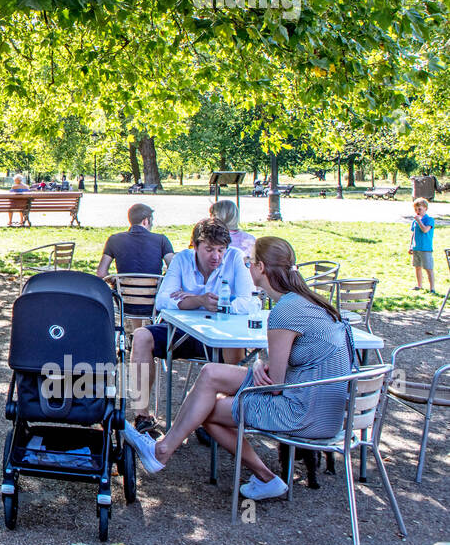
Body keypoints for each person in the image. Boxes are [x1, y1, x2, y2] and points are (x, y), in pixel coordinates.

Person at [124, 236, 356, 501]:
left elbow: (276, 386)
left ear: (260, 268)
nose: (247, 266)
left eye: (250, 262)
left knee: (208, 409)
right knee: (210, 373)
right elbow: (294, 363)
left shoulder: (285, 312)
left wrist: (262, 371)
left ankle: (260, 475)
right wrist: (260, 365)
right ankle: (162, 450)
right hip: (324, 405)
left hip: (305, 412)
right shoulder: (306, 301)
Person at [128, 218, 253, 433]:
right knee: (141, 336)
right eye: (209, 249)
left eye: (221, 250)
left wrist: (218, 302)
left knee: (234, 344)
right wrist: (199, 300)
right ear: (194, 245)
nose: (216, 257)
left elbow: (250, 301)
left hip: (221, 334)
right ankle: (141, 416)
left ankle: (222, 416)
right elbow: (163, 300)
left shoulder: (235, 259)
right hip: (182, 331)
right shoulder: (182, 260)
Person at [95, 203, 175, 325]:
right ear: (145, 221)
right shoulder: (161, 240)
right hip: (153, 303)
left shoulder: (114, 239)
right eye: (151, 221)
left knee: (131, 295)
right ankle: (150, 332)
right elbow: (174, 269)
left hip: (126, 303)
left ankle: (136, 334)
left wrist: (115, 280)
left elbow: (101, 273)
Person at [410, 197, 436, 292]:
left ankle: (432, 288)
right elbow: (413, 233)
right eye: (416, 210)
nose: (417, 211)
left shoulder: (429, 219)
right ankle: (419, 285)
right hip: (417, 247)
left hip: (426, 248)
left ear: (425, 208)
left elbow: (425, 230)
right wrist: (411, 246)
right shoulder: (415, 221)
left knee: (428, 268)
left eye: (419, 209)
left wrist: (419, 221)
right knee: (417, 267)